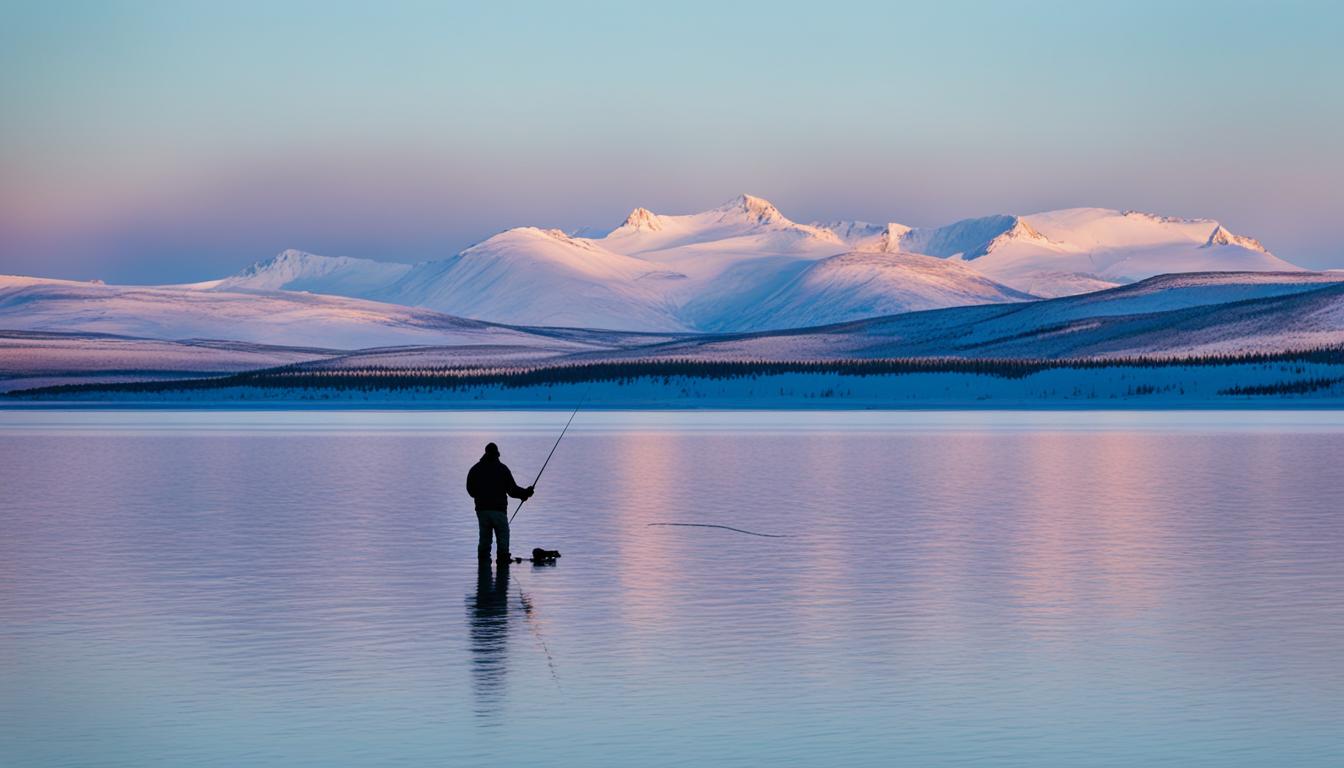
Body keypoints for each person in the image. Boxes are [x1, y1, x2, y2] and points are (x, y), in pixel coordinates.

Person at [466, 442, 534, 562]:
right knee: (503, 536)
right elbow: (512, 490)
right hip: (498, 510)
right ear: (497, 454)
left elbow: (470, 491)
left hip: (482, 511)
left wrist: (481, 496)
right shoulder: (502, 469)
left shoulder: (475, 469)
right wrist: (525, 493)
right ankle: (502, 561)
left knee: (484, 539)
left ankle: (483, 564)